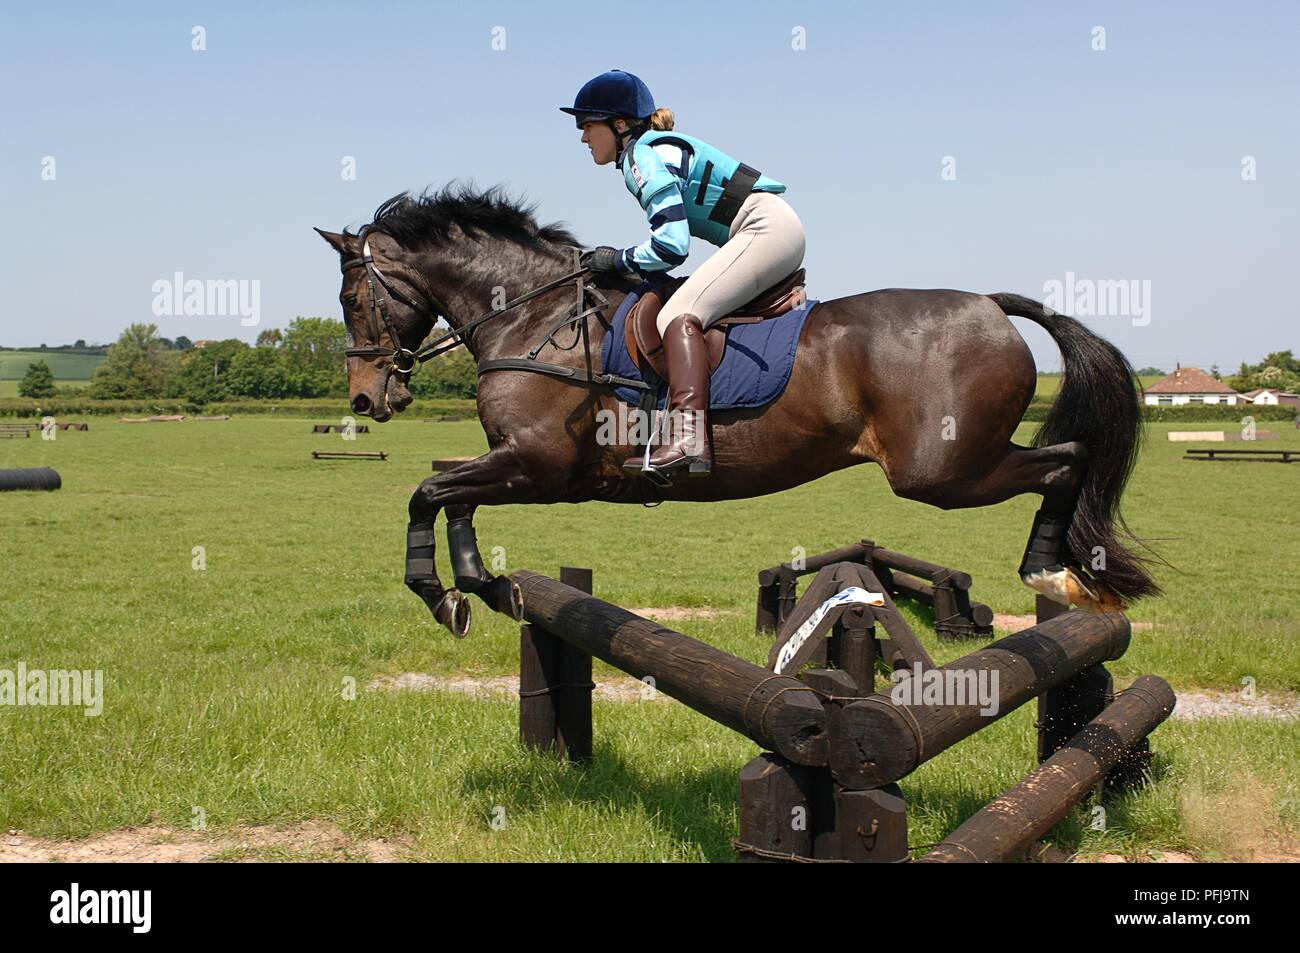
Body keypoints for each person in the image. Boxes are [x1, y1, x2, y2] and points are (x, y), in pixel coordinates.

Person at [561, 69, 806, 481]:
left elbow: (672, 246)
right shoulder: (648, 149)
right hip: (767, 226)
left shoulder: (641, 157)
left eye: (588, 125)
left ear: (619, 126)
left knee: (676, 316)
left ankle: (688, 438)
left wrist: (616, 260)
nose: (583, 137)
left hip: (764, 228)